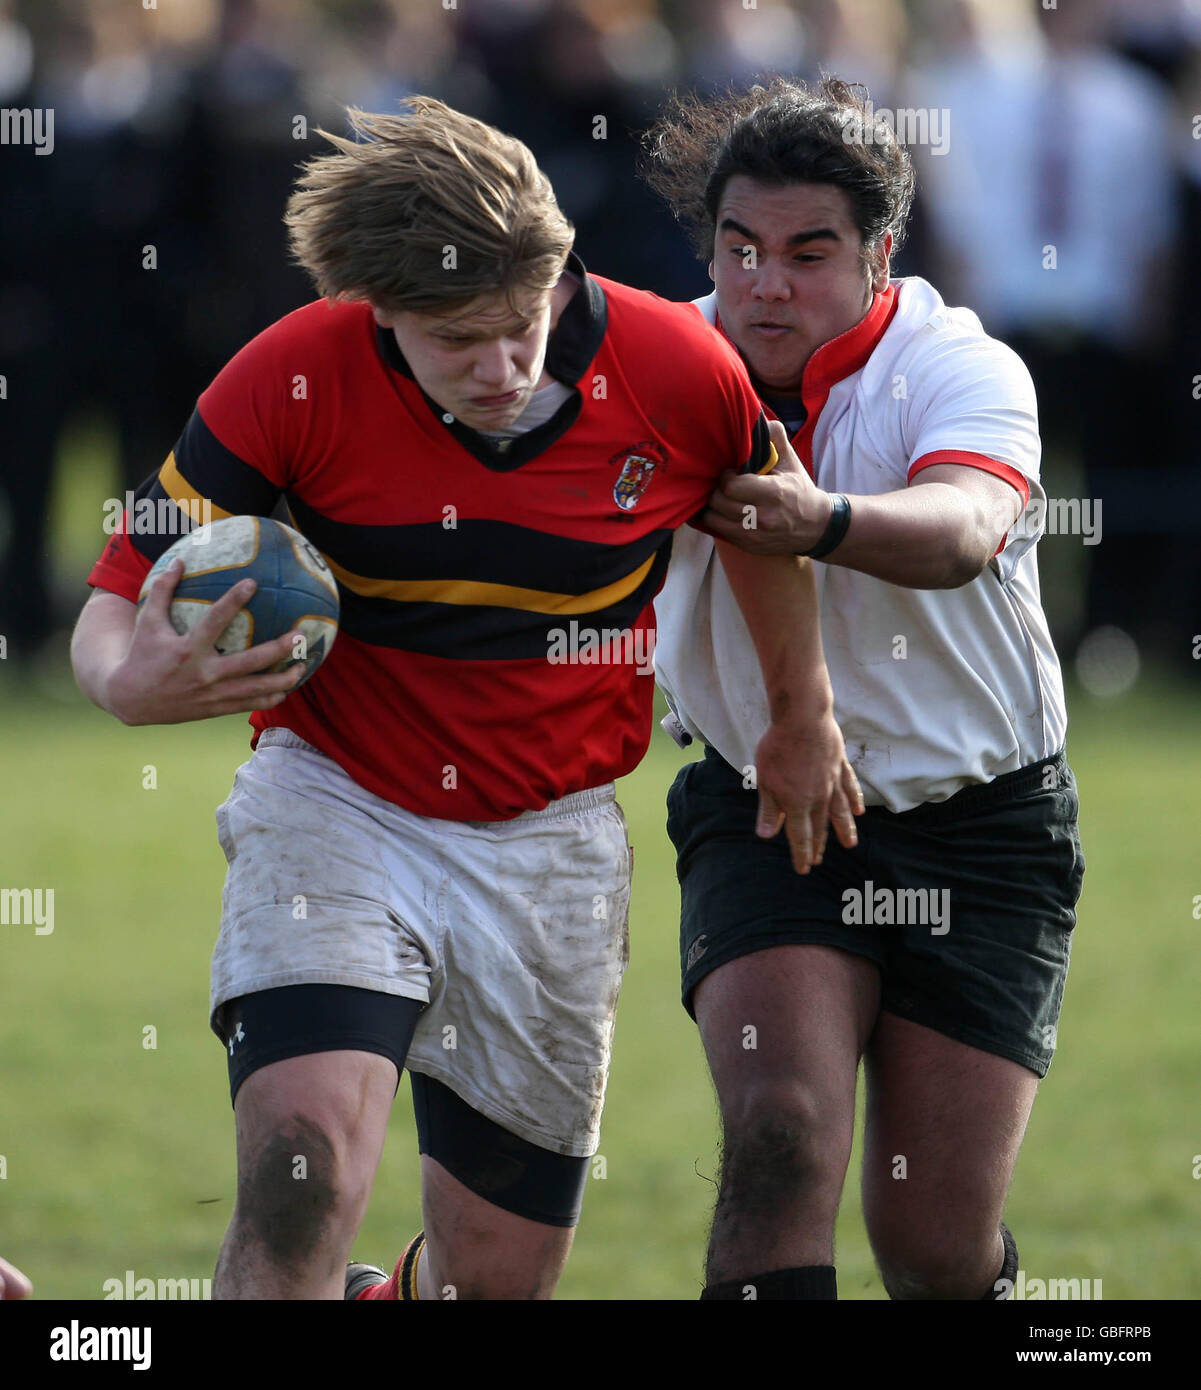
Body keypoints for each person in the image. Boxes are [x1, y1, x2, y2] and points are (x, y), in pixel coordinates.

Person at [70, 97, 860, 1301]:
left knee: (494, 1280)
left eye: (518, 328)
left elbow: (764, 522)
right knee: (298, 1174)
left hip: (551, 838)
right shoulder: (292, 373)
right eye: (455, 343)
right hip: (337, 806)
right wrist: (130, 682)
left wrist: (799, 717)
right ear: (377, 312)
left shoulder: (676, 368)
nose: (499, 370)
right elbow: (118, 593)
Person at [643, 76, 1084, 1300]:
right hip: (765, 808)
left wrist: (819, 519)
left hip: (983, 824)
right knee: (779, 1136)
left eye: (806, 252)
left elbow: (962, 526)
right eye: (739, 249)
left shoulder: (958, 361)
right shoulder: (658, 361)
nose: (763, 283)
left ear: (880, 255)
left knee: (932, 1248)